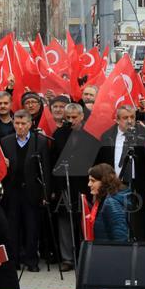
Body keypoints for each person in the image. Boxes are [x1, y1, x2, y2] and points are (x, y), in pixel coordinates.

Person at [50, 102, 99, 271]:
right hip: (63, 184)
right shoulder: (59, 134)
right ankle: (67, 259)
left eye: (74, 117)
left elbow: (96, 161)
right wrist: (55, 189)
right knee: (64, 222)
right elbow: (53, 161)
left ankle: (85, 256)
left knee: (84, 220)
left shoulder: (91, 136)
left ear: (82, 117)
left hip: (84, 185)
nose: (71, 121)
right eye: (68, 118)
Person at [0, 109, 49, 272]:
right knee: (13, 227)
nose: (20, 127)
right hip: (12, 190)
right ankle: (14, 260)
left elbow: (46, 169)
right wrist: (3, 165)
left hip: (32, 191)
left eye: (23, 123)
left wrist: (45, 193)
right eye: (17, 123)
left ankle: (31, 260)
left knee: (32, 227)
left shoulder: (39, 141)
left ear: (30, 124)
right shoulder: (5, 141)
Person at [95, 105, 145, 242]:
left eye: (132, 117)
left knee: (137, 223)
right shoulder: (107, 136)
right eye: (125, 118)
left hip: (137, 186)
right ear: (117, 120)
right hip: (114, 186)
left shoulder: (143, 134)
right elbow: (101, 162)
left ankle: (137, 251)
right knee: (117, 221)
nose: (130, 121)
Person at [87, 163, 131, 242]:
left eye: (93, 181)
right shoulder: (103, 199)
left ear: (104, 182)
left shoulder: (111, 203)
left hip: (111, 252)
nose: (89, 184)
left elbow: (120, 237)